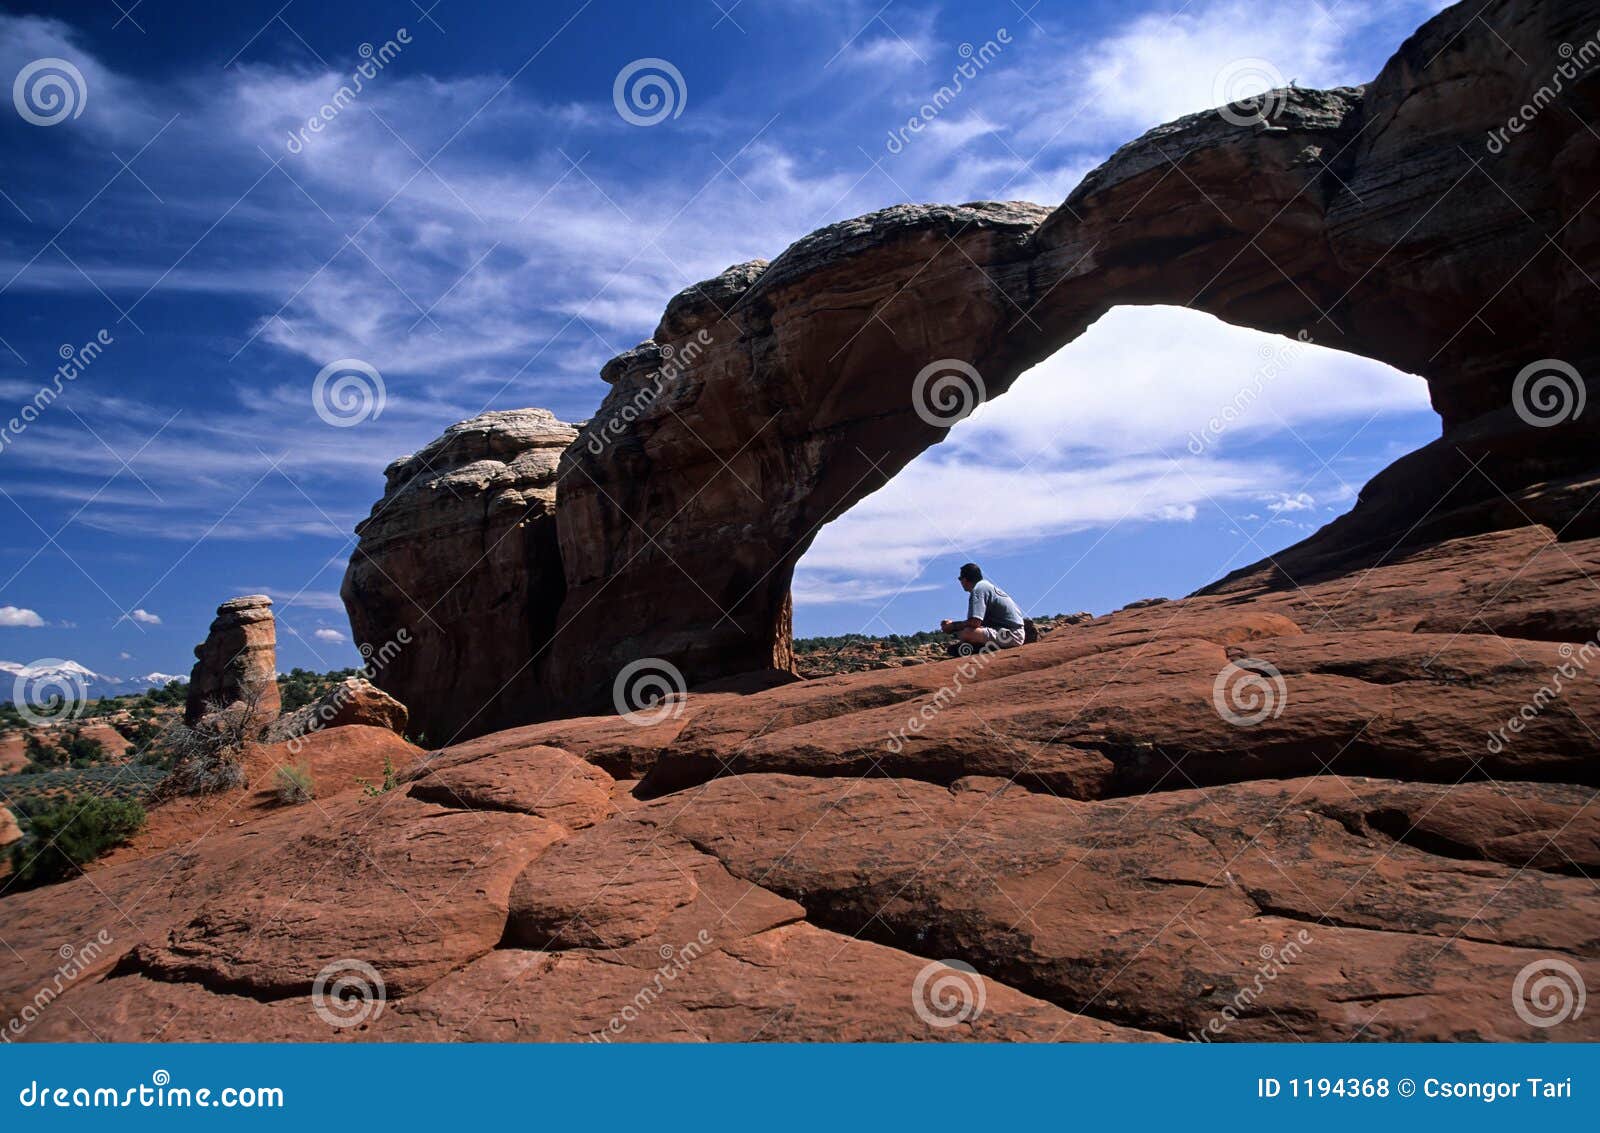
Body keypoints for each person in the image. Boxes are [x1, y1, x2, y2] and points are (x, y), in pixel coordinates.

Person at [941, 562, 1026, 651]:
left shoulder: (978, 590)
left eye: (960, 579)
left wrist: (953, 626)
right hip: (1012, 632)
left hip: (1011, 635)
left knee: (967, 633)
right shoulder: (985, 586)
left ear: (965, 579)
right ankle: (979, 646)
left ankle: (978, 648)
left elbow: (975, 622)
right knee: (966, 631)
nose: (960, 582)